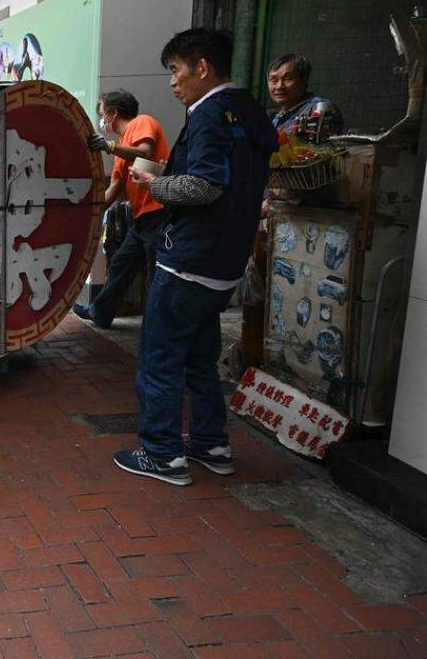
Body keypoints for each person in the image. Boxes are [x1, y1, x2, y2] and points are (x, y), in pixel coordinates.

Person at [116, 29, 277, 486]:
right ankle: (211, 444)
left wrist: (154, 186)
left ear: (201, 67)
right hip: (225, 263)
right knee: (199, 358)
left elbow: (205, 186)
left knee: (160, 357)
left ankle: (163, 454)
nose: (172, 82)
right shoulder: (246, 112)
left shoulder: (207, 115)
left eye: (175, 70)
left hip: (189, 260)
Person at [73, 89, 169, 328]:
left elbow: (146, 152)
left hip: (159, 212)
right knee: (121, 264)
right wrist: (88, 214)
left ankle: (158, 326)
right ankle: (101, 312)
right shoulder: (121, 148)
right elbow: (114, 189)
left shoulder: (141, 122)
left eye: (103, 114)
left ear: (114, 113)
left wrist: (109, 146)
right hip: (141, 218)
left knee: (157, 272)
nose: (102, 120)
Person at [267, 53, 343, 144]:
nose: (279, 86)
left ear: (304, 80)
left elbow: (323, 151)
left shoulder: (320, 109)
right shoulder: (277, 118)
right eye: (274, 80)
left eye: (288, 79)